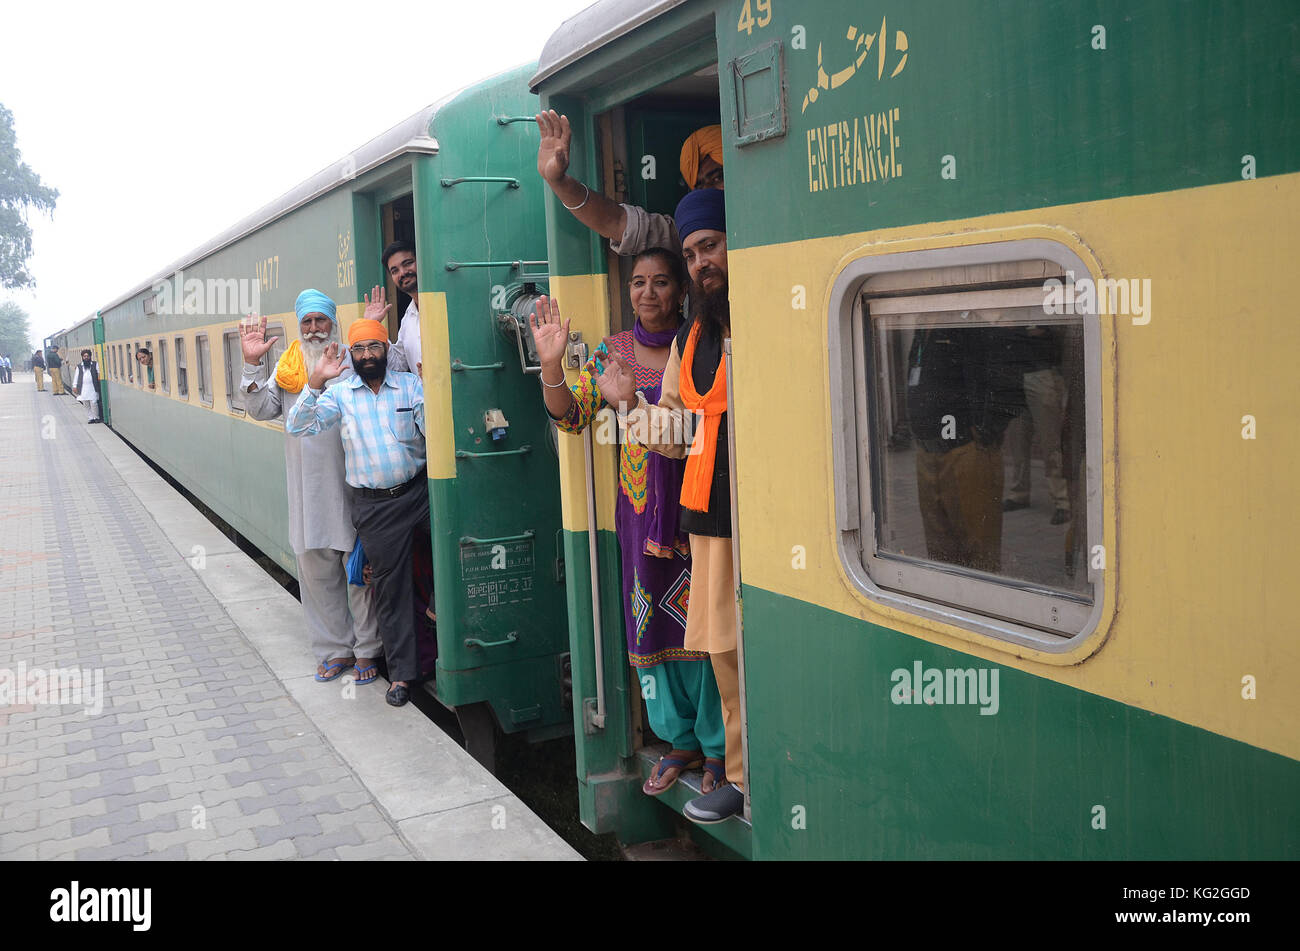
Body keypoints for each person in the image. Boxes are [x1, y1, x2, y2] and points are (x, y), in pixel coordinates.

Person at [530, 249, 727, 796]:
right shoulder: (612, 352)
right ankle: (678, 740)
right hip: (640, 516)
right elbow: (572, 418)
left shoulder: (699, 343)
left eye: (661, 282)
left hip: (696, 508)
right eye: (638, 282)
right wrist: (551, 367)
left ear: (681, 291)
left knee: (705, 632)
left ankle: (718, 746)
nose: (647, 292)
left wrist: (631, 401)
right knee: (650, 626)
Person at [594, 189, 746, 824]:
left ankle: (735, 762)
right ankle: (737, 772)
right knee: (722, 647)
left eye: (708, 247)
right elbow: (678, 433)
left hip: (761, 511)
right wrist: (629, 406)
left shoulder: (758, 316)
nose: (701, 263)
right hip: (707, 515)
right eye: (693, 253)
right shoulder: (695, 337)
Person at [239, 290, 383, 687]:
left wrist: (376, 328)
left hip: (353, 480)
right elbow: (259, 408)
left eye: (321, 320)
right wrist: (251, 363)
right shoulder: (288, 365)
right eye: (308, 322)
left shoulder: (352, 358)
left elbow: (386, 374)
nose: (315, 329)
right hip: (307, 486)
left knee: (358, 572)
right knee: (317, 573)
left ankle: (368, 648)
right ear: (299, 326)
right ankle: (334, 650)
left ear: (333, 323)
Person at [285, 317, 427, 708]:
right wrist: (315, 382)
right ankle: (400, 677)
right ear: (351, 353)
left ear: (385, 350)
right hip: (376, 507)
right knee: (390, 592)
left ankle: (437, 628)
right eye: (359, 349)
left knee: (448, 557)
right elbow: (299, 426)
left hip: (419, 494)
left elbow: (432, 431)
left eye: (374, 348)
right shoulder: (340, 395)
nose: (367, 356)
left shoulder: (411, 386)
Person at [905, 323, 1025, 573]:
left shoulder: (970, 322)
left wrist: (986, 430)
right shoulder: (921, 329)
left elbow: (1007, 380)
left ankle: (984, 607)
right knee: (940, 554)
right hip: (927, 452)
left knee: (979, 551)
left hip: (966, 450)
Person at [536, 110, 723, 257]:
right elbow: (616, 221)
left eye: (718, 178)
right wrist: (559, 182)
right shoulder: (684, 235)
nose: (707, 194)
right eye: (699, 187)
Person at [1002, 326, 1070, 525]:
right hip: (1014, 374)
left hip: (1042, 371)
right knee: (1017, 441)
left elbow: (1058, 330)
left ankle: (1063, 501)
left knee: (1051, 442)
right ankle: (1019, 493)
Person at [73, 349, 102, 424]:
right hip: (83, 388)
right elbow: (76, 376)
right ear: (82, 357)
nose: (86, 357)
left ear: (90, 356)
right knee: (86, 404)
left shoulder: (95, 364)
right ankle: (90, 418)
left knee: (94, 402)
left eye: (87, 356)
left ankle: (96, 417)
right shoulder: (79, 366)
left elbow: (98, 373)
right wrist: (74, 386)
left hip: (92, 387)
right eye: (84, 356)